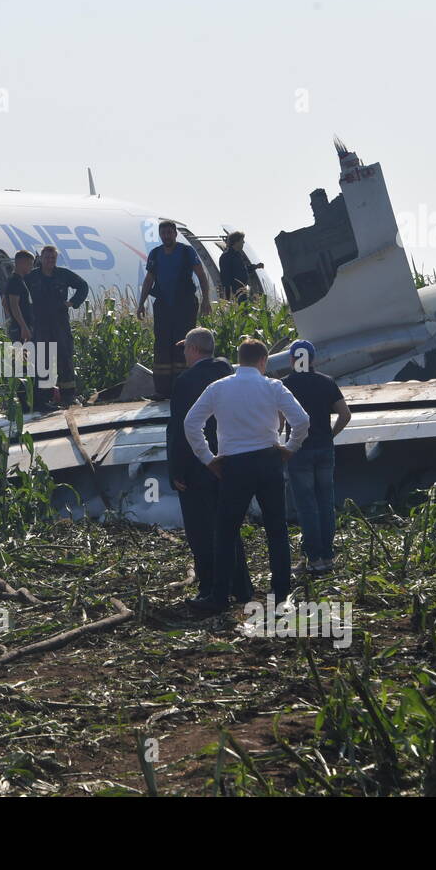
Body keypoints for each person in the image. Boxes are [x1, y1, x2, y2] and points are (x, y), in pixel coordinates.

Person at [184, 337, 309, 609]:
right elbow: (302, 420)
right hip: (268, 460)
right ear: (263, 361)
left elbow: (191, 423)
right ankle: (280, 593)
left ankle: (219, 596)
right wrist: (289, 448)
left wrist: (207, 458)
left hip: (234, 464)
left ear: (239, 359)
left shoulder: (218, 388)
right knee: (276, 529)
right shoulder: (273, 386)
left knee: (226, 530)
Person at [167, 327, 254, 609]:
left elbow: (182, 428)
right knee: (229, 527)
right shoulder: (229, 372)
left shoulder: (186, 381)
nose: (183, 354)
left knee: (202, 531)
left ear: (193, 350)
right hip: (234, 459)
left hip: (199, 465)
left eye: (185, 349)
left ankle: (210, 590)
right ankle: (241, 587)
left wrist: (176, 470)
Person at [281, 339, 351, 575]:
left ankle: (314, 558)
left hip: (299, 450)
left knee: (307, 506)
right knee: (325, 503)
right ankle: (327, 556)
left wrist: (282, 445)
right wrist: (330, 435)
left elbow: (279, 422)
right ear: (313, 359)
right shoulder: (326, 382)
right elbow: (345, 414)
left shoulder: (285, 385)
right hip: (324, 449)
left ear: (292, 359)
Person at [136, 221, 211, 400]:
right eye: (163, 233)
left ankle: (182, 387)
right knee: (162, 345)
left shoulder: (186, 252)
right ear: (160, 235)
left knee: (183, 344)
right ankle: (162, 390)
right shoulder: (155, 254)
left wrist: (206, 300)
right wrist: (141, 303)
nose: (166, 236)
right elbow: (149, 280)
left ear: (175, 234)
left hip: (184, 304)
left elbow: (201, 276)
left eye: (169, 232)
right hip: (163, 305)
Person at [25, 244, 88, 408]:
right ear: (41, 259)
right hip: (40, 322)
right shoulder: (32, 277)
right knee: (42, 359)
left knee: (64, 356)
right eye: (47, 258)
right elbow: (18, 292)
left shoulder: (63, 275)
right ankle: (44, 397)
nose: (50, 261)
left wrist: (72, 303)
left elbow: (83, 286)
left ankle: (68, 395)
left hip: (59, 321)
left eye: (53, 258)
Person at [217, 231, 264, 301]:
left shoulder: (237, 255)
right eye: (242, 240)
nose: (244, 242)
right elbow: (225, 277)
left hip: (242, 291)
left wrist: (256, 266)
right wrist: (229, 296)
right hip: (235, 293)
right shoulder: (226, 257)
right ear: (236, 241)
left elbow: (243, 269)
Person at [5, 250, 34, 343]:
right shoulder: (15, 281)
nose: (31, 267)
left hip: (18, 326)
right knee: (22, 355)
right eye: (29, 264)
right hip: (20, 328)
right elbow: (14, 305)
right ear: (21, 263)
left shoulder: (16, 280)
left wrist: (13, 319)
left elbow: (4, 302)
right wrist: (23, 327)